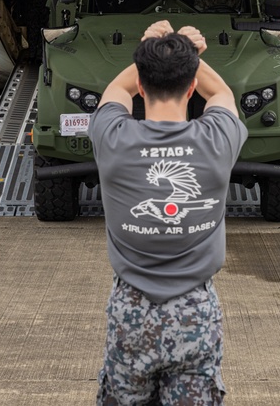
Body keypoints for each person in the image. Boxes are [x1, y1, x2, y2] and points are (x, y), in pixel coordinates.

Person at [88, 20, 248, 403]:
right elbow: (222, 93)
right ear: (191, 87)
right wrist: (188, 52)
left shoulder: (113, 138)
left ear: (141, 88)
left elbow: (116, 90)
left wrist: (152, 45)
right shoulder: (217, 140)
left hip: (131, 313)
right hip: (196, 308)